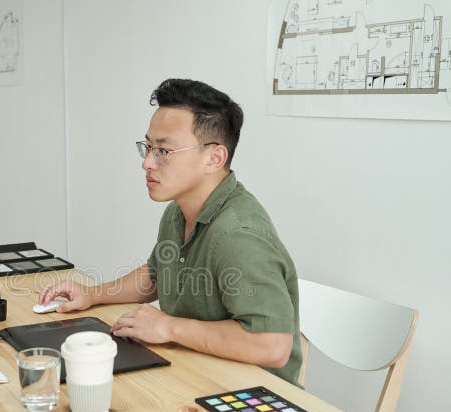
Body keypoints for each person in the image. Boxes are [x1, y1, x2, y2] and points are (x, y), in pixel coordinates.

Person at [39, 78, 302, 385]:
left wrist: (169, 327)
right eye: (148, 147)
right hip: (194, 372)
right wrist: (93, 294)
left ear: (214, 158)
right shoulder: (177, 212)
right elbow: (157, 275)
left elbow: (273, 346)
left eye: (163, 150)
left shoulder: (239, 235)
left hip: (253, 395)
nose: (147, 163)